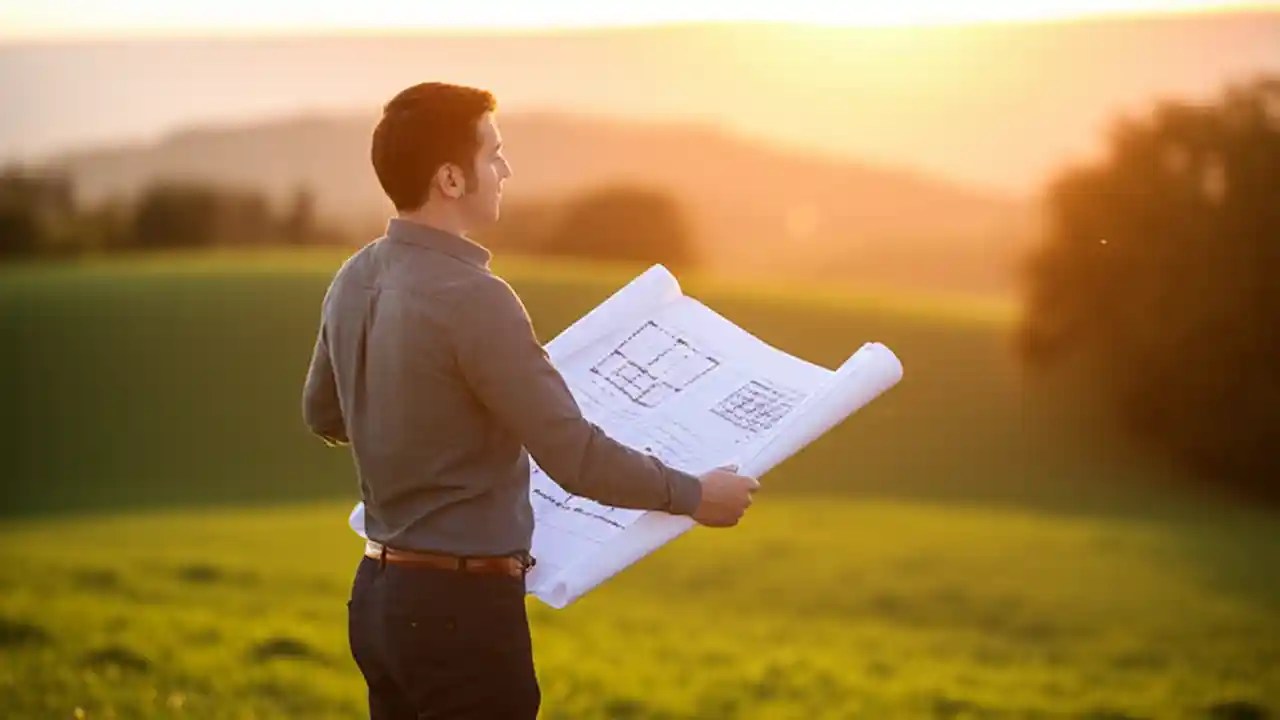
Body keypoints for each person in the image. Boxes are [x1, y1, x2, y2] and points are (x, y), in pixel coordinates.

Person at [301, 82, 759, 719]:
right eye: (493, 154)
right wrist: (695, 496)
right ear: (451, 180)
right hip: (460, 617)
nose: (505, 170)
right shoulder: (477, 299)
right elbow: (574, 456)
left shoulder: (354, 276)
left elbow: (322, 413)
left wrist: (411, 416)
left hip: (378, 598)